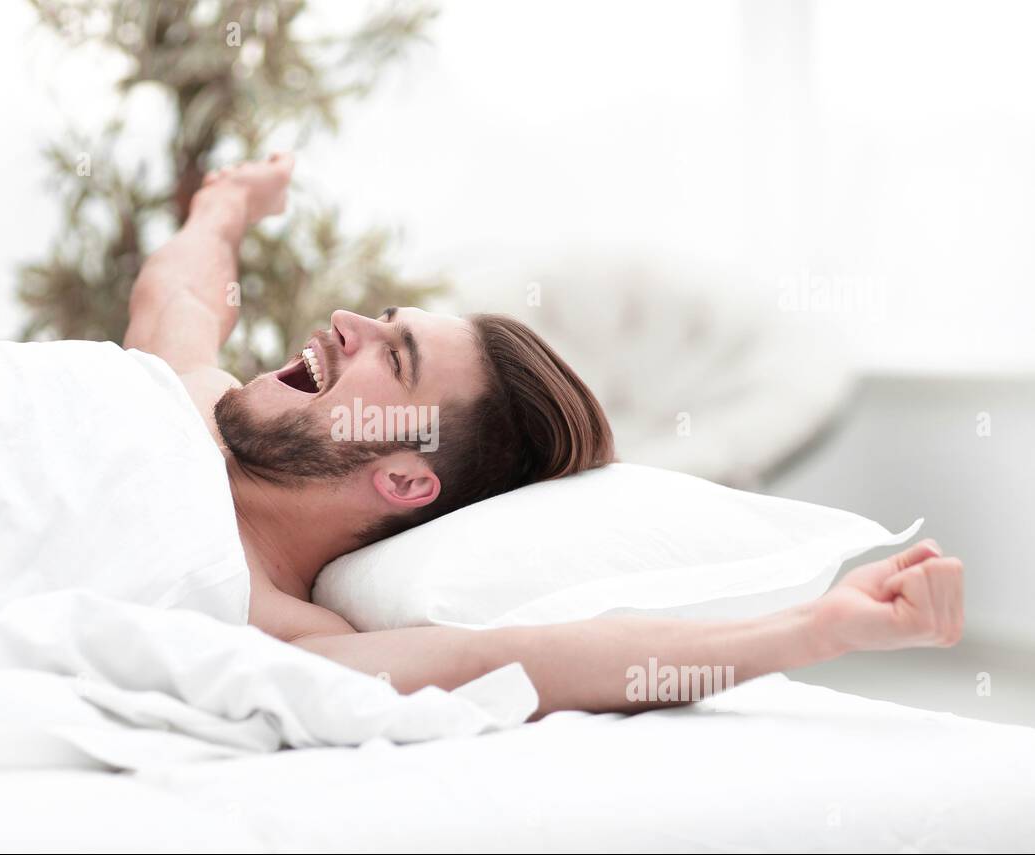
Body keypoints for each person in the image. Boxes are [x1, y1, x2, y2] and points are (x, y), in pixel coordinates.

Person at [123, 153, 965, 718]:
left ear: (408, 481)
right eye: (379, 320)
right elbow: (179, 299)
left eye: (396, 354)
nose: (345, 322)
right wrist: (228, 203)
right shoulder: (192, 397)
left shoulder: (272, 626)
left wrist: (820, 629)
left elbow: (541, 658)